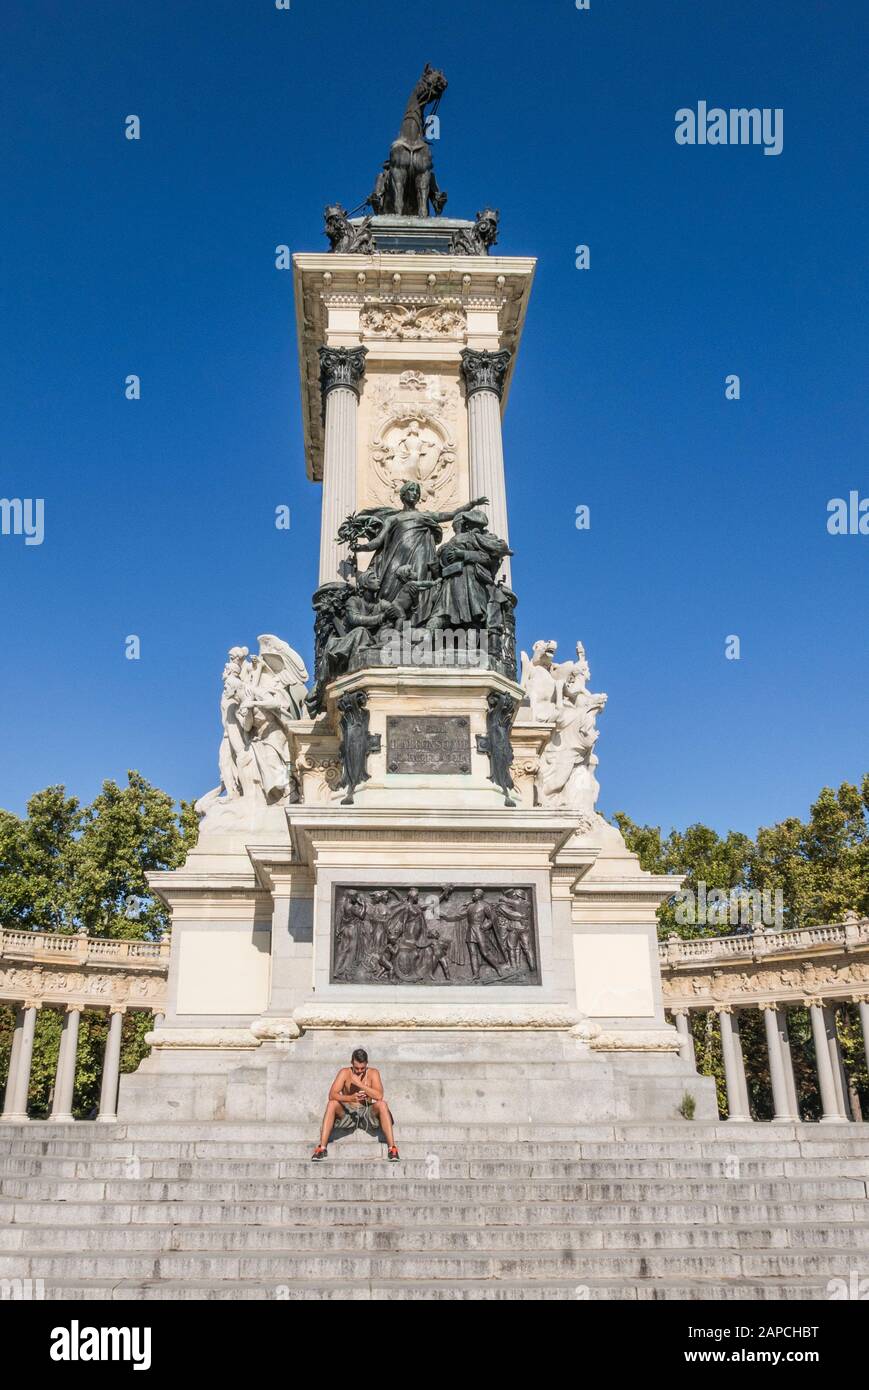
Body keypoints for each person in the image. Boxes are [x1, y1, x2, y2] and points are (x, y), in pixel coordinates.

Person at [311, 1048, 399, 1162]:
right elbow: (332, 1094)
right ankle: (322, 1148)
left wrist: (360, 1085)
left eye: (362, 1068)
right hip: (348, 1112)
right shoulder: (344, 1072)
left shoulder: (373, 1073)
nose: (359, 1071)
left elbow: (379, 1095)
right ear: (352, 1063)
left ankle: (392, 1149)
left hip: (367, 1111)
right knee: (332, 1104)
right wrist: (350, 1098)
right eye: (356, 1068)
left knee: (382, 1104)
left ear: (367, 1064)